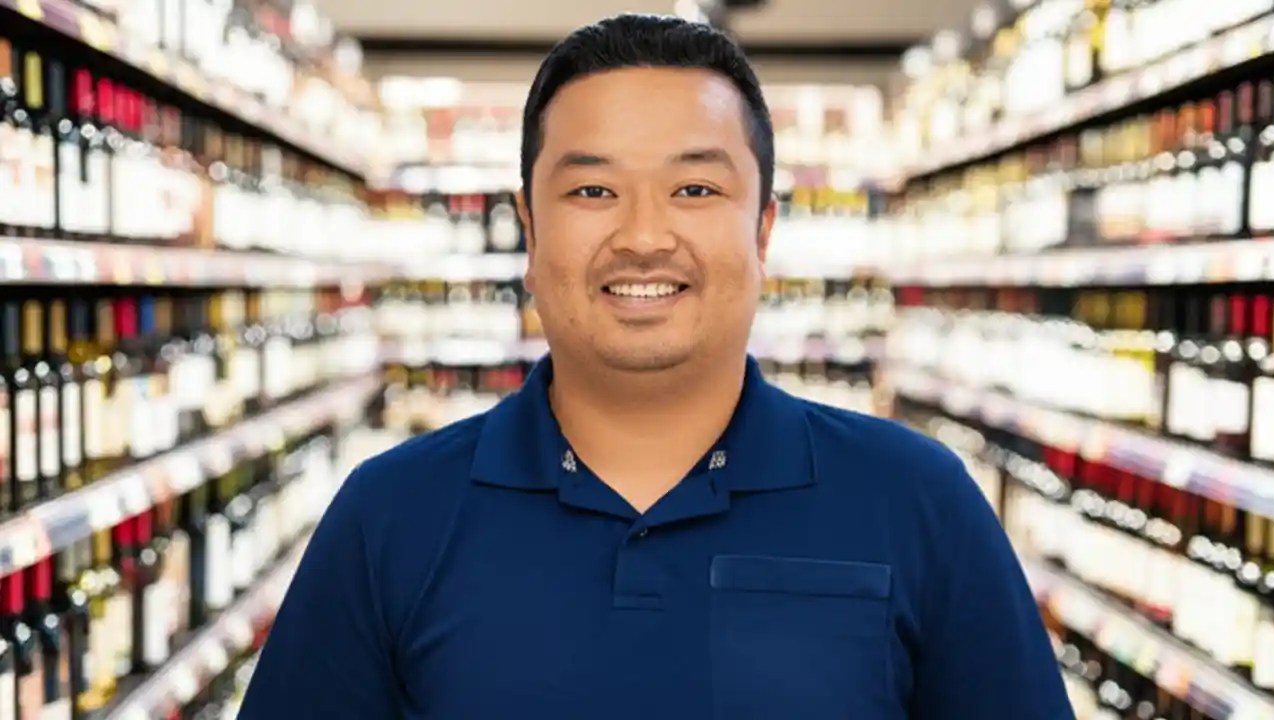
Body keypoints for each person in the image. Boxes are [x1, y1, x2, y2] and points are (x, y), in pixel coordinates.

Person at [239, 13, 1072, 719]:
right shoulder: (388, 518)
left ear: (764, 231)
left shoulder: (921, 503)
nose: (643, 236)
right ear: (529, 231)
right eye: (592, 191)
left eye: (696, 190)